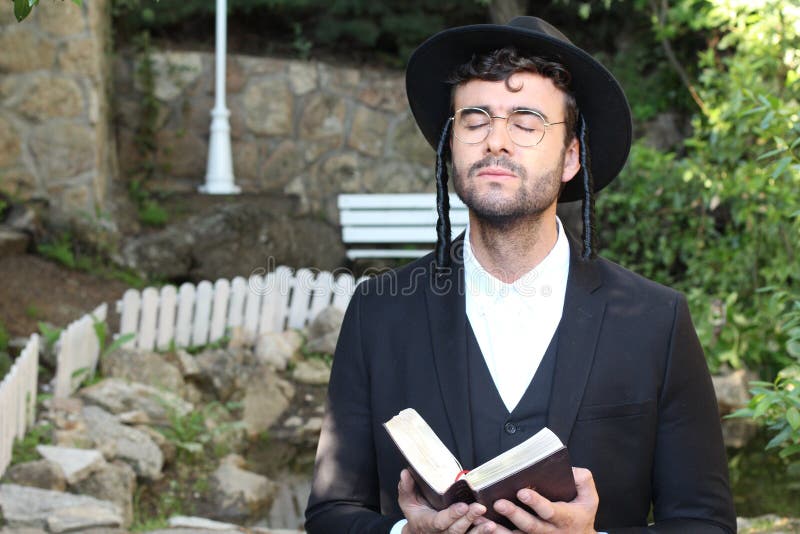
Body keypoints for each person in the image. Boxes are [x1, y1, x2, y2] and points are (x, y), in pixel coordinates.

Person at [305, 16, 736, 534]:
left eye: (527, 121)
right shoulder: (378, 313)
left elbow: (705, 524)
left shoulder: (655, 321)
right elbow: (330, 516)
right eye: (475, 119)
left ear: (572, 156)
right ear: (450, 144)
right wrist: (403, 533)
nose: (496, 141)